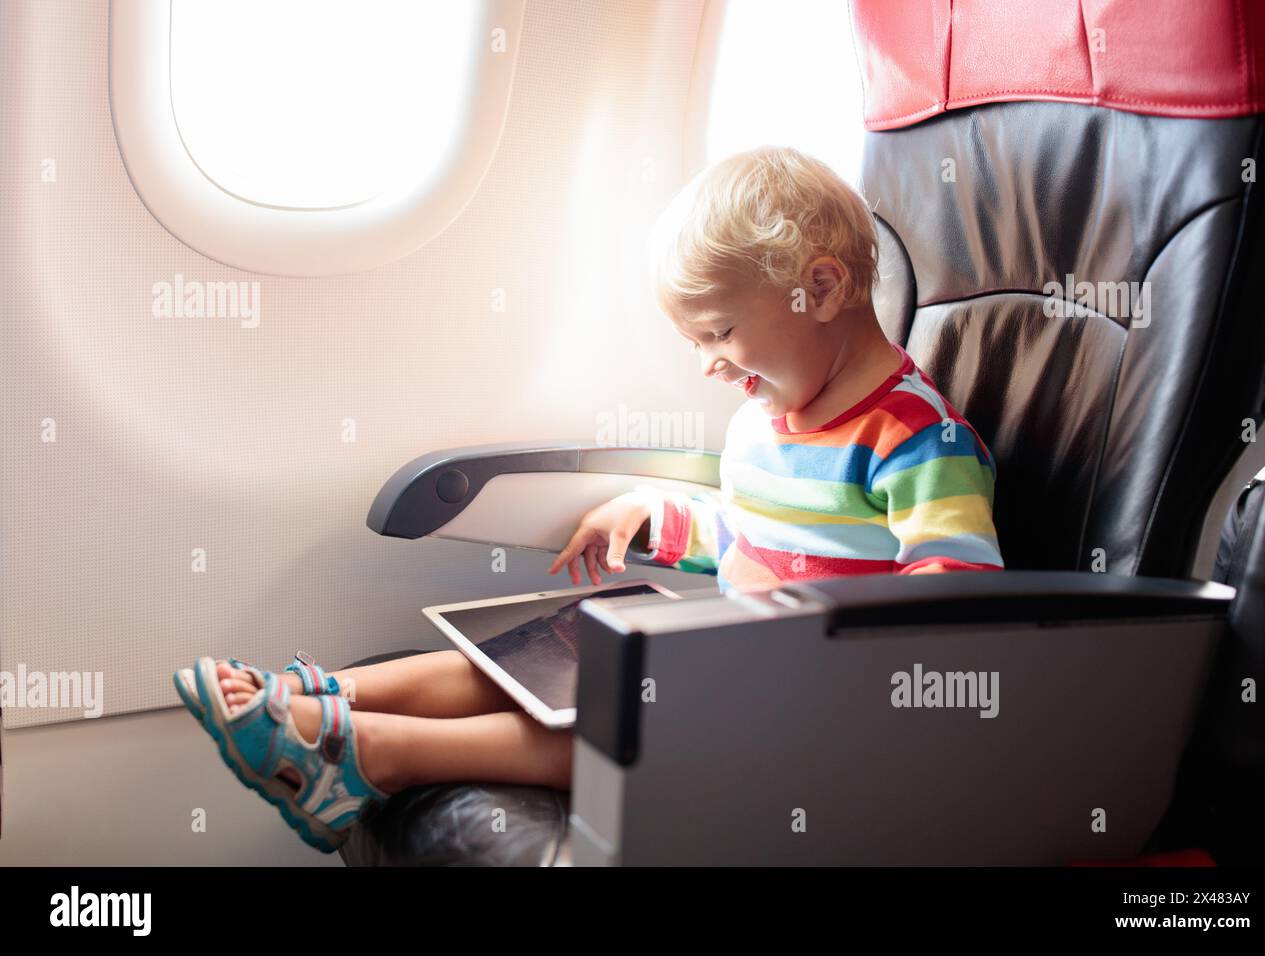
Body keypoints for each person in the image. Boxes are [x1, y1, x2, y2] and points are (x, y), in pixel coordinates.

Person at [176, 145, 1003, 853]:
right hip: (748, 656)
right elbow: (763, 539)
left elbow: (953, 598)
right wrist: (655, 512)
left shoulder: (919, 441)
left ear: (819, 291)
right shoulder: (773, 414)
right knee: (550, 653)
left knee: (629, 711)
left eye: (718, 333)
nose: (709, 365)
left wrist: (794, 659)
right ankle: (313, 697)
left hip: (831, 705)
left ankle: (364, 757)